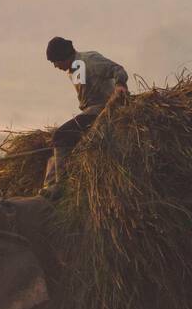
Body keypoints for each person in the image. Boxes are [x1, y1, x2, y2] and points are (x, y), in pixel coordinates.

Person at [42, 36, 128, 195]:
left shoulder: (89, 61)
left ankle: (60, 186)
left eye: (56, 62)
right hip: (89, 111)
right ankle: (48, 187)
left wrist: (120, 85)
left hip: (103, 109)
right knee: (55, 143)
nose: (55, 66)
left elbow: (117, 69)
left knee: (61, 135)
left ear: (63, 56)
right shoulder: (74, 68)